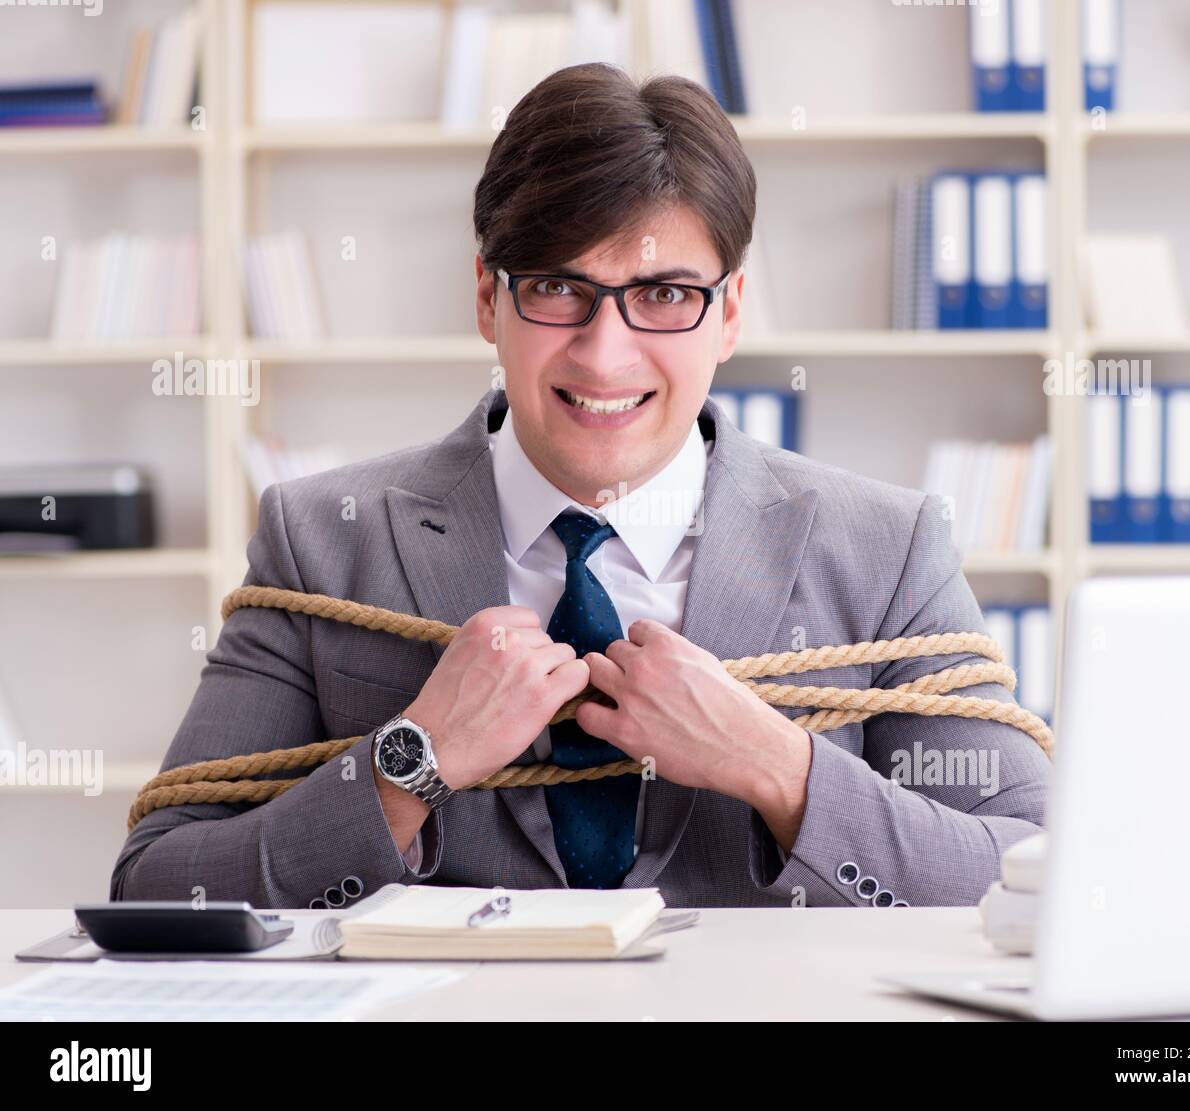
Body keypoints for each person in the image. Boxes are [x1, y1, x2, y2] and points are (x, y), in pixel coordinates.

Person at [112, 63, 1048, 910]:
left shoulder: (886, 549)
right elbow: (162, 884)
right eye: (559, 289)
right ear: (487, 298)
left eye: (666, 294)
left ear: (728, 313)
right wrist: (411, 763)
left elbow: (1034, 870)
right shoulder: (319, 541)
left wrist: (777, 766)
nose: (606, 355)